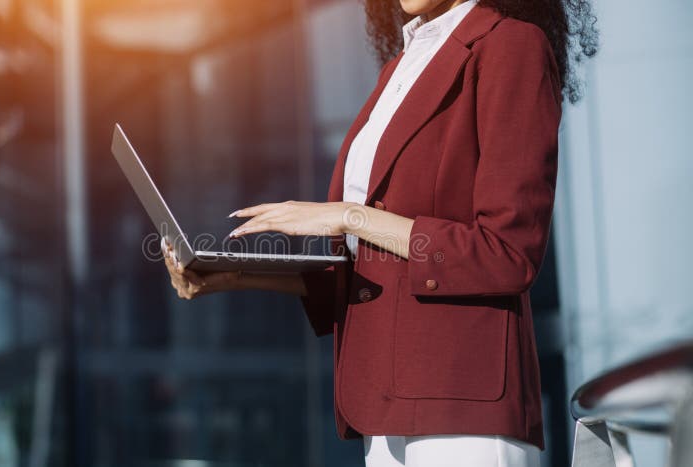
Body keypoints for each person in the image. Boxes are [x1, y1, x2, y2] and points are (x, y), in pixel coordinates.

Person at [161, 0, 597, 465]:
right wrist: (229, 277)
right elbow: (374, 270)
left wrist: (351, 217)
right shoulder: (400, 69)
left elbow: (506, 253)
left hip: (461, 399)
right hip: (385, 407)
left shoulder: (511, 45)